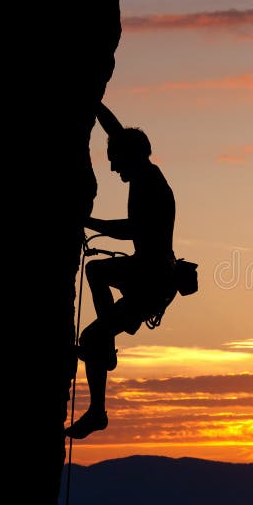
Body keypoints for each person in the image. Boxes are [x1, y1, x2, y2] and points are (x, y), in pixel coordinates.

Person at [66, 103, 176, 439]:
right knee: (97, 273)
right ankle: (107, 345)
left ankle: (98, 410)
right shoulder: (143, 169)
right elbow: (116, 130)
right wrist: (93, 101)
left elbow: (132, 229)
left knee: (90, 338)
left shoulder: (150, 186)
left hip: (152, 281)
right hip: (147, 272)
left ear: (129, 156)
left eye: (115, 160)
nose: (112, 167)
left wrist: (87, 221)